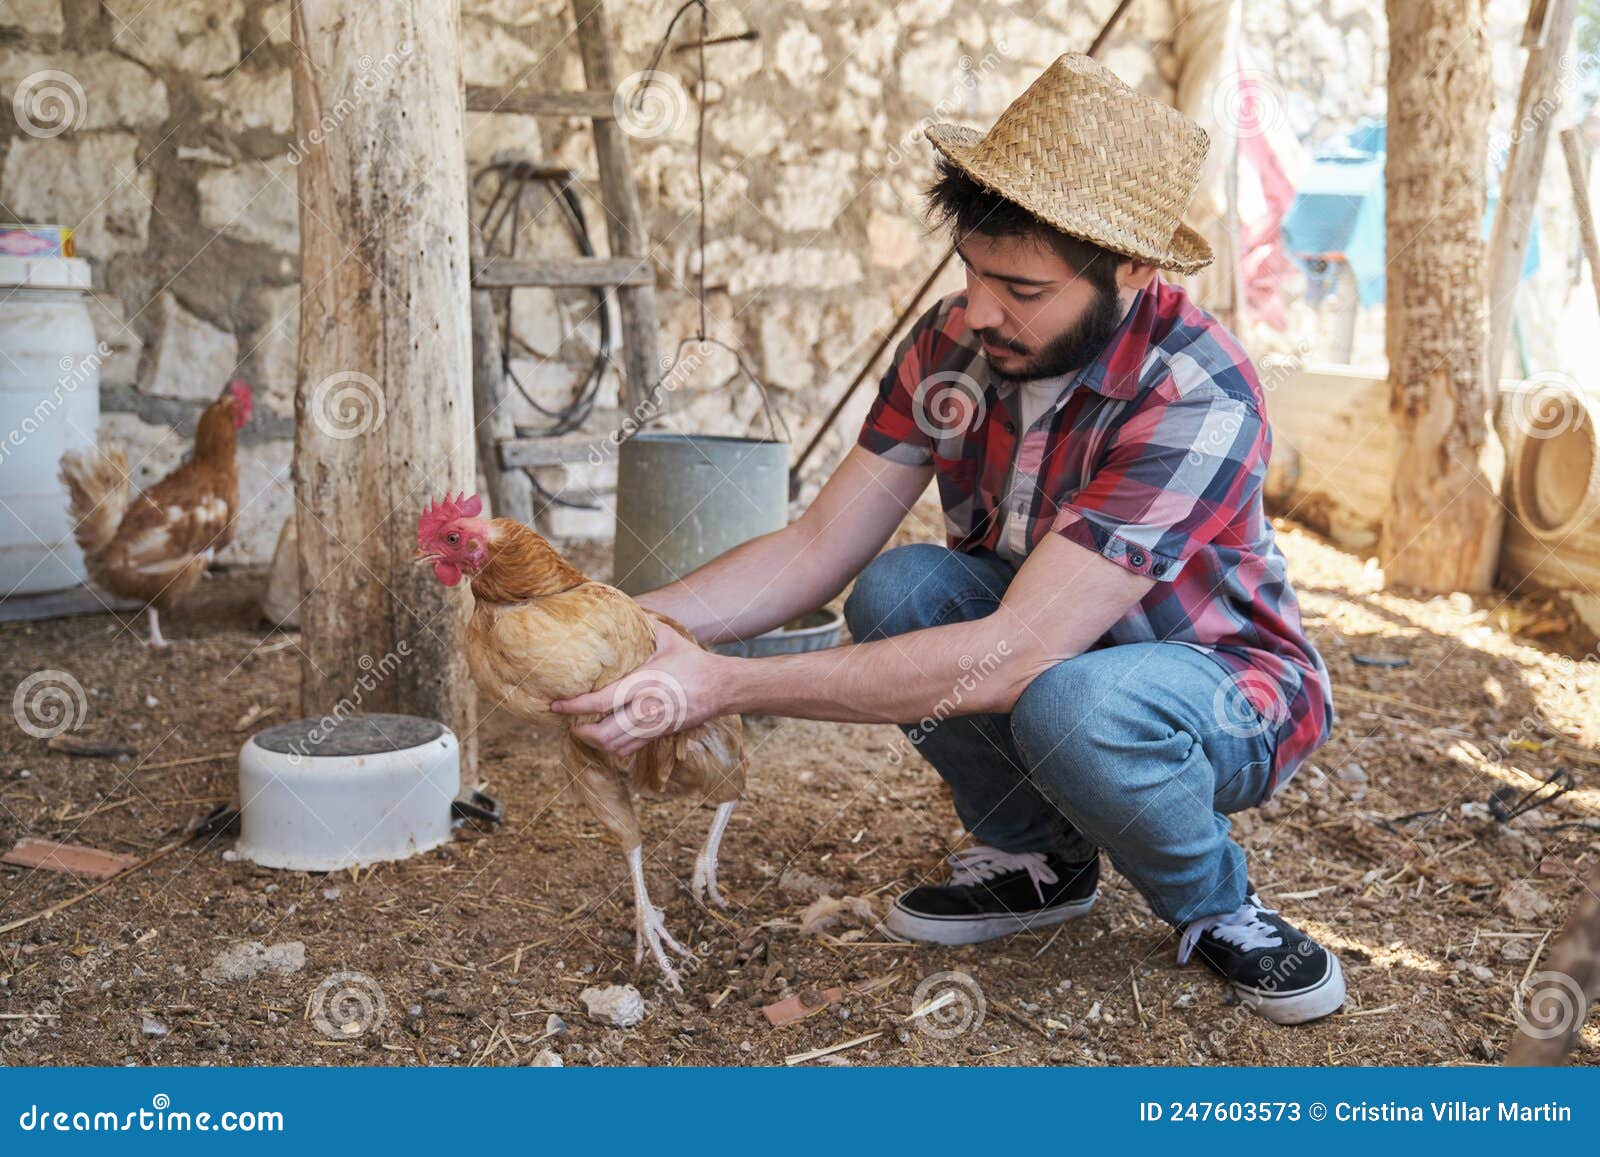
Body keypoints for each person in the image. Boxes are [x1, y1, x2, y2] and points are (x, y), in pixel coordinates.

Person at [552, 53, 1342, 1025]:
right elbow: (815, 545)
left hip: (1220, 687)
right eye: (970, 269)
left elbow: (1010, 657)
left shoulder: (1198, 392)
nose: (977, 309)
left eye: (1020, 287)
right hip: (1046, 639)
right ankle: (1038, 859)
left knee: (1070, 702)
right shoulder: (950, 346)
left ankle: (1218, 905)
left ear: (1130, 271)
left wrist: (721, 681)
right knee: (899, 589)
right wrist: (623, 622)